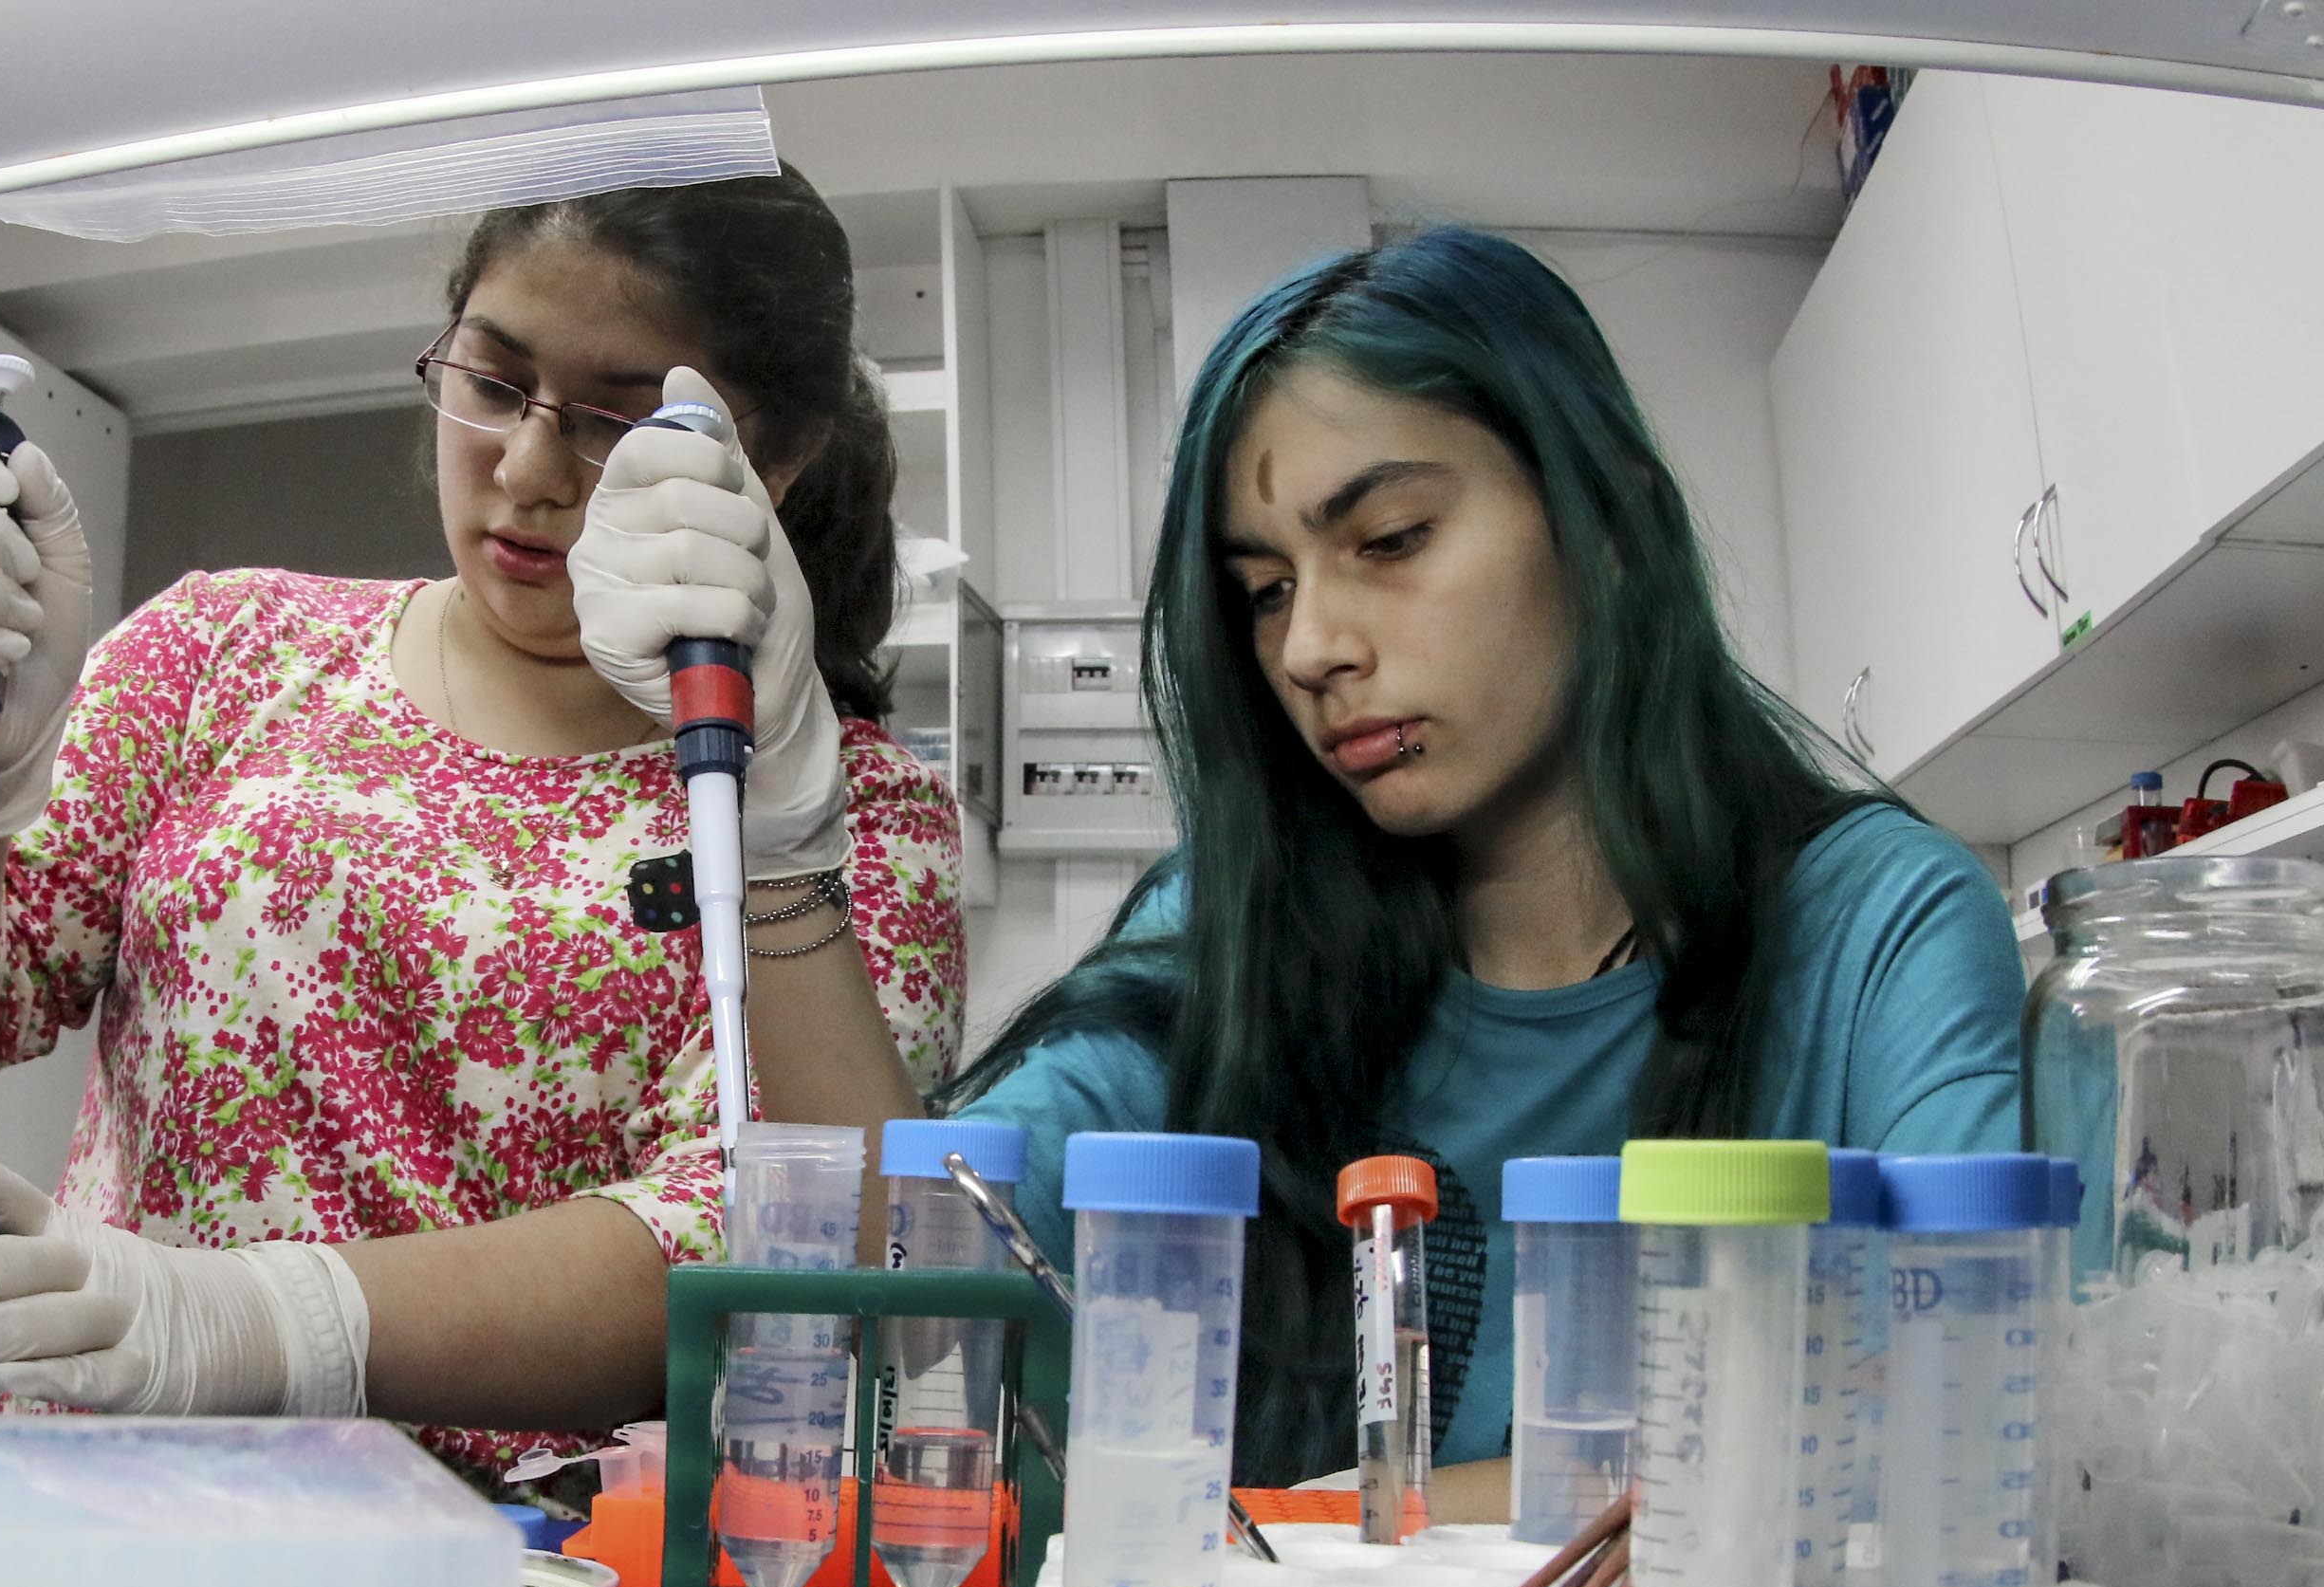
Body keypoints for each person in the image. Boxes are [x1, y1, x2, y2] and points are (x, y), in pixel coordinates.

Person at [621, 226, 2022, 1510]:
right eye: (1265, 589)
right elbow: (920, 1269)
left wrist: (1292, 1530)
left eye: (1392, 540)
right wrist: (790, 850)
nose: (1309, 649)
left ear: (1607, 518)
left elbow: (1946, 1423)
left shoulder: (1876, 929)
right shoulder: (1238, 937)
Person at [0, 166, 967, 1482]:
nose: (530, 467)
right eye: (495, 386)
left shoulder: (831, 816)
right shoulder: (227, 651)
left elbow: (780, 1247)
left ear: (772, 460)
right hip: (109, 1516)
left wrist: (278, 1321)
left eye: (617, 423)